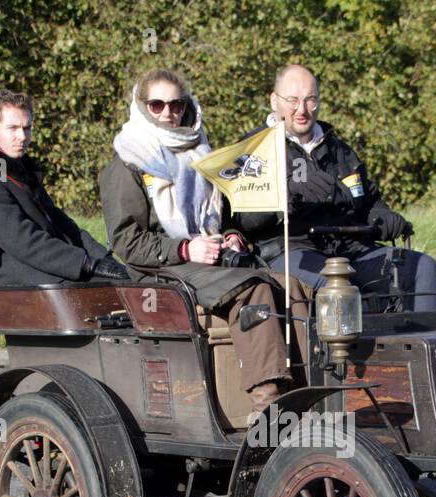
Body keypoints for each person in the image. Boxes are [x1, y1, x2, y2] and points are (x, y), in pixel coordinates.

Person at [99, 68, 305, 421]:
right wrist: (184, 249)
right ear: (141, 106)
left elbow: (215, 212)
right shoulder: (128, 161)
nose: (168, 113)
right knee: (252, 290)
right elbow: (126, 241)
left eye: (176, 104)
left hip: (206, 258)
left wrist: (229, 233)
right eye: (157, 105)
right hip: (159, 269)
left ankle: (305, 394)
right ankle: (267, 409)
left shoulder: (199, 150)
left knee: (294, 287)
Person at [233, 64, 436, 311]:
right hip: (291, 250)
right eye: (292, 100)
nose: (301, 110)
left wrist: (381, 216)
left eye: (310, 100)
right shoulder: (254, 150)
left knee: (421, 267)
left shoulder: (339, 149)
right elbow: (242, 219)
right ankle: (363, 349)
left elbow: (368, 199)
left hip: (351, 248)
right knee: (342, 287)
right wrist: (289, 194)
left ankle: (424, 345)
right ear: (274, 100)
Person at [0, 89, 128, 286]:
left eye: (27, 128)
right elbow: (25, 242)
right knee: (117, 290)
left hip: (45, 268)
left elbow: (64, 226)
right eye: (12, 128)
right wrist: (86, 264)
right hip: (15, 278)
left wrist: (104, 259)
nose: (22, 136)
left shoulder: (17, 170)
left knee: (130, 281)